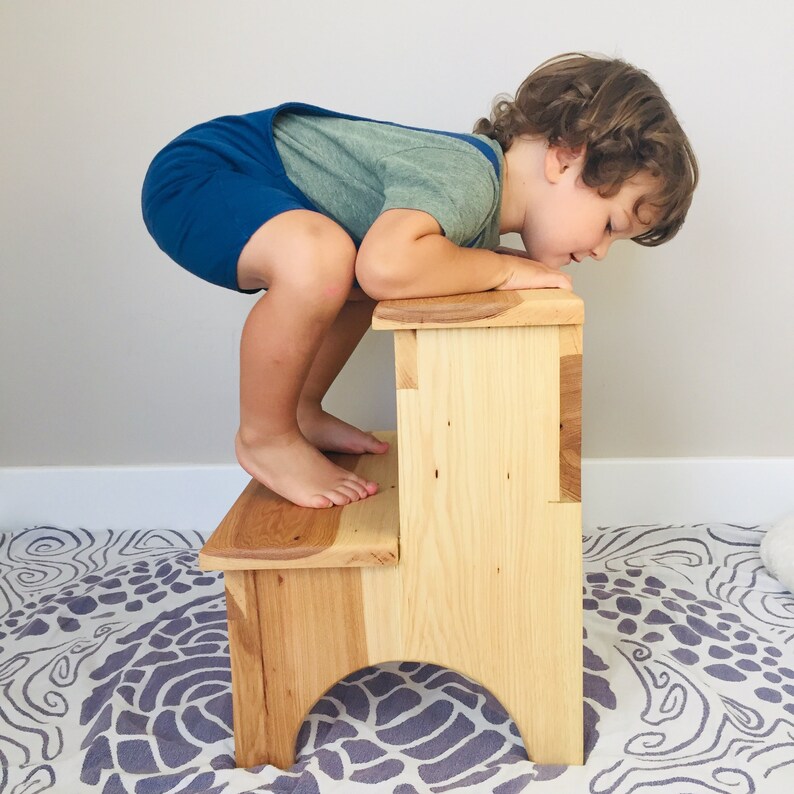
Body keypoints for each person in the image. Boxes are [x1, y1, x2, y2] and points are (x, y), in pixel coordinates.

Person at [141, 52, 698, 509]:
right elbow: (387, 265)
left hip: (245, 179)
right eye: (609, 225)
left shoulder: (467, 215)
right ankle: (266, 436)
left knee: (363, 275)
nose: (600, 251)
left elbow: (384, 276)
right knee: (336, 260)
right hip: (207, 172)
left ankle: (302, 410)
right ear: (567, 158)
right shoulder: (466, 175)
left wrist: (490, 264)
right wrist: (503, 267)